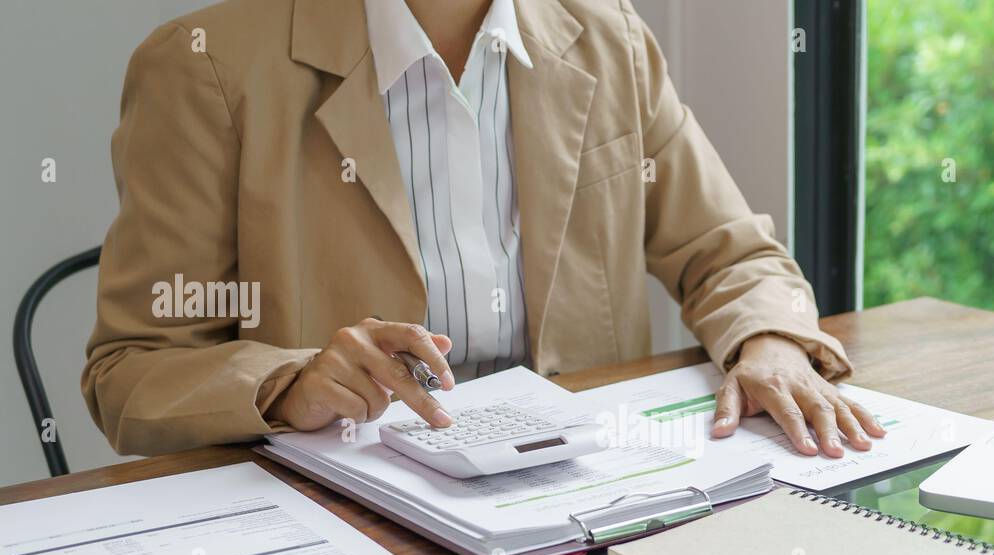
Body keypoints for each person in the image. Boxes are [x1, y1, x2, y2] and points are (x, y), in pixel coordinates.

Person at [84, 0, 884, 459]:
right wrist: (287, 383)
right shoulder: (205, 67)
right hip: (350, 516)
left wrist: (770, 340)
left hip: (583, 498)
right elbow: (132, 370)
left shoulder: (609, 37)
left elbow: (730, 254)